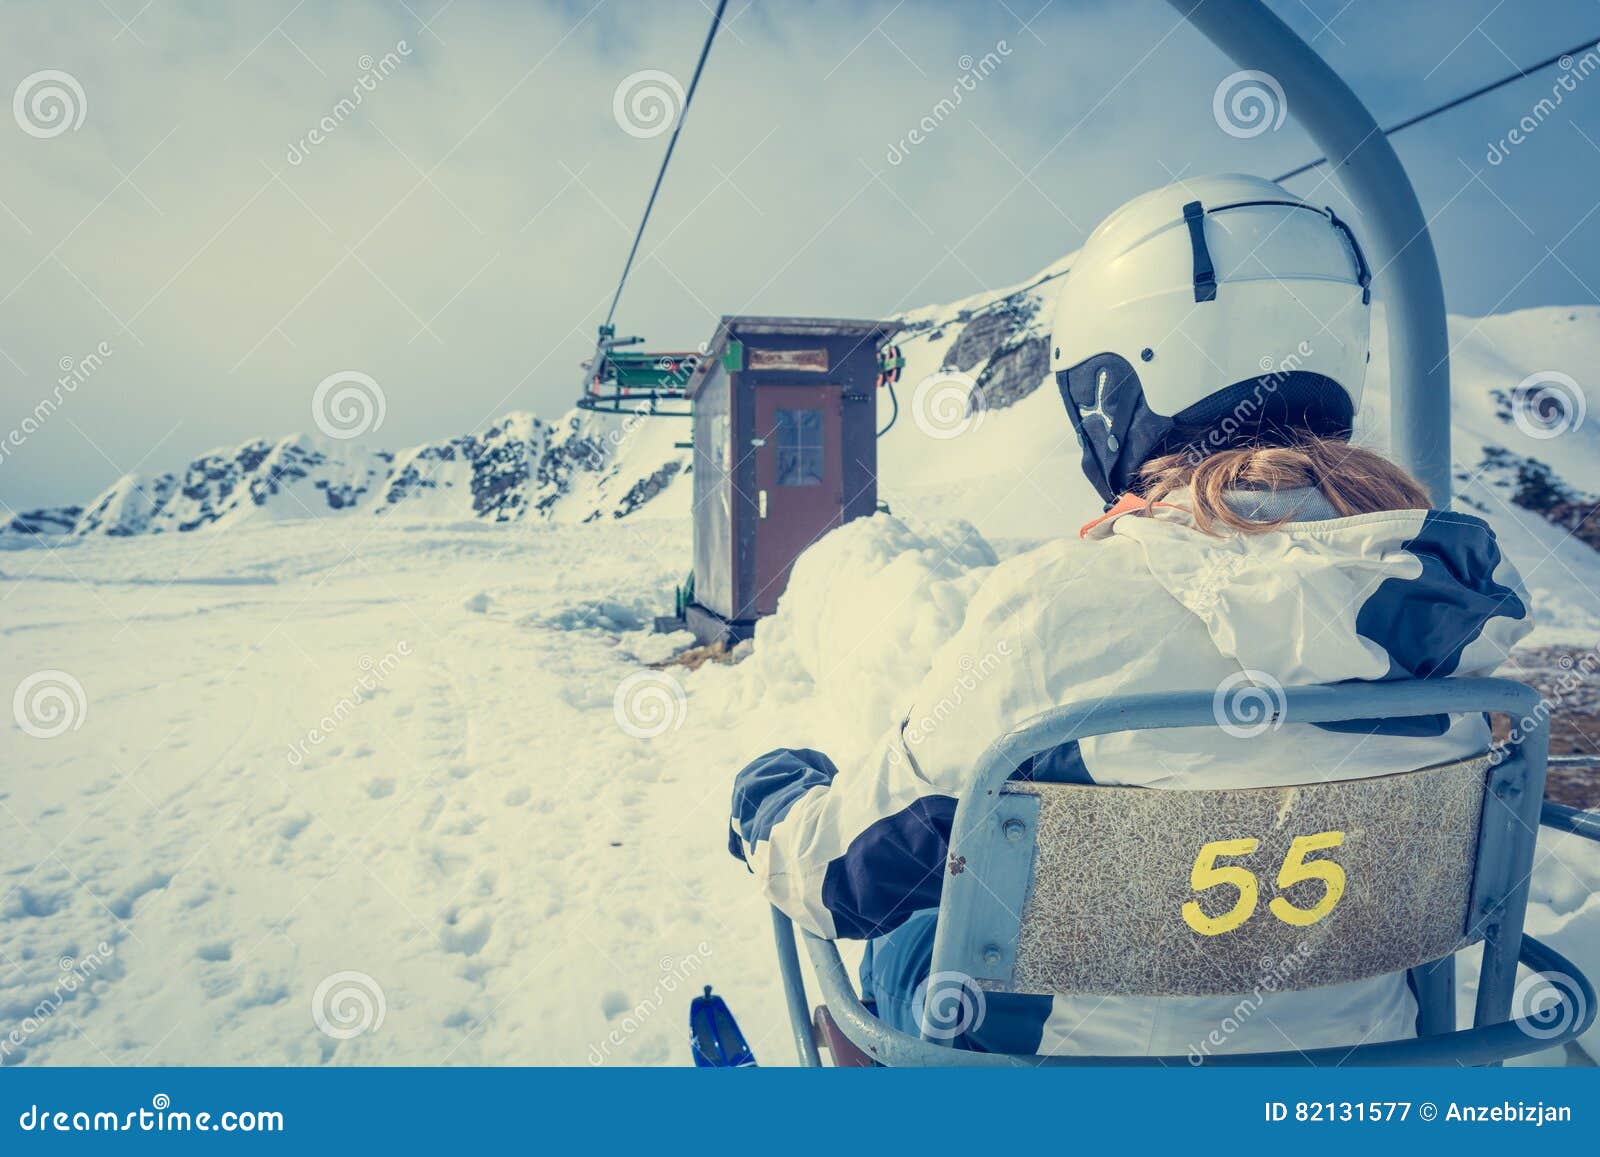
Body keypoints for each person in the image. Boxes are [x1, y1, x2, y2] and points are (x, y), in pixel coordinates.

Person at [726, 174, 1531, 1058]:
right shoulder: (1454, 615)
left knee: (905, 938)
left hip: (1069, 1092)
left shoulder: (1068, 610)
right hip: (1365, 1071)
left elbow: (841, 877)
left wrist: (773, 799)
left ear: (1116, 386)